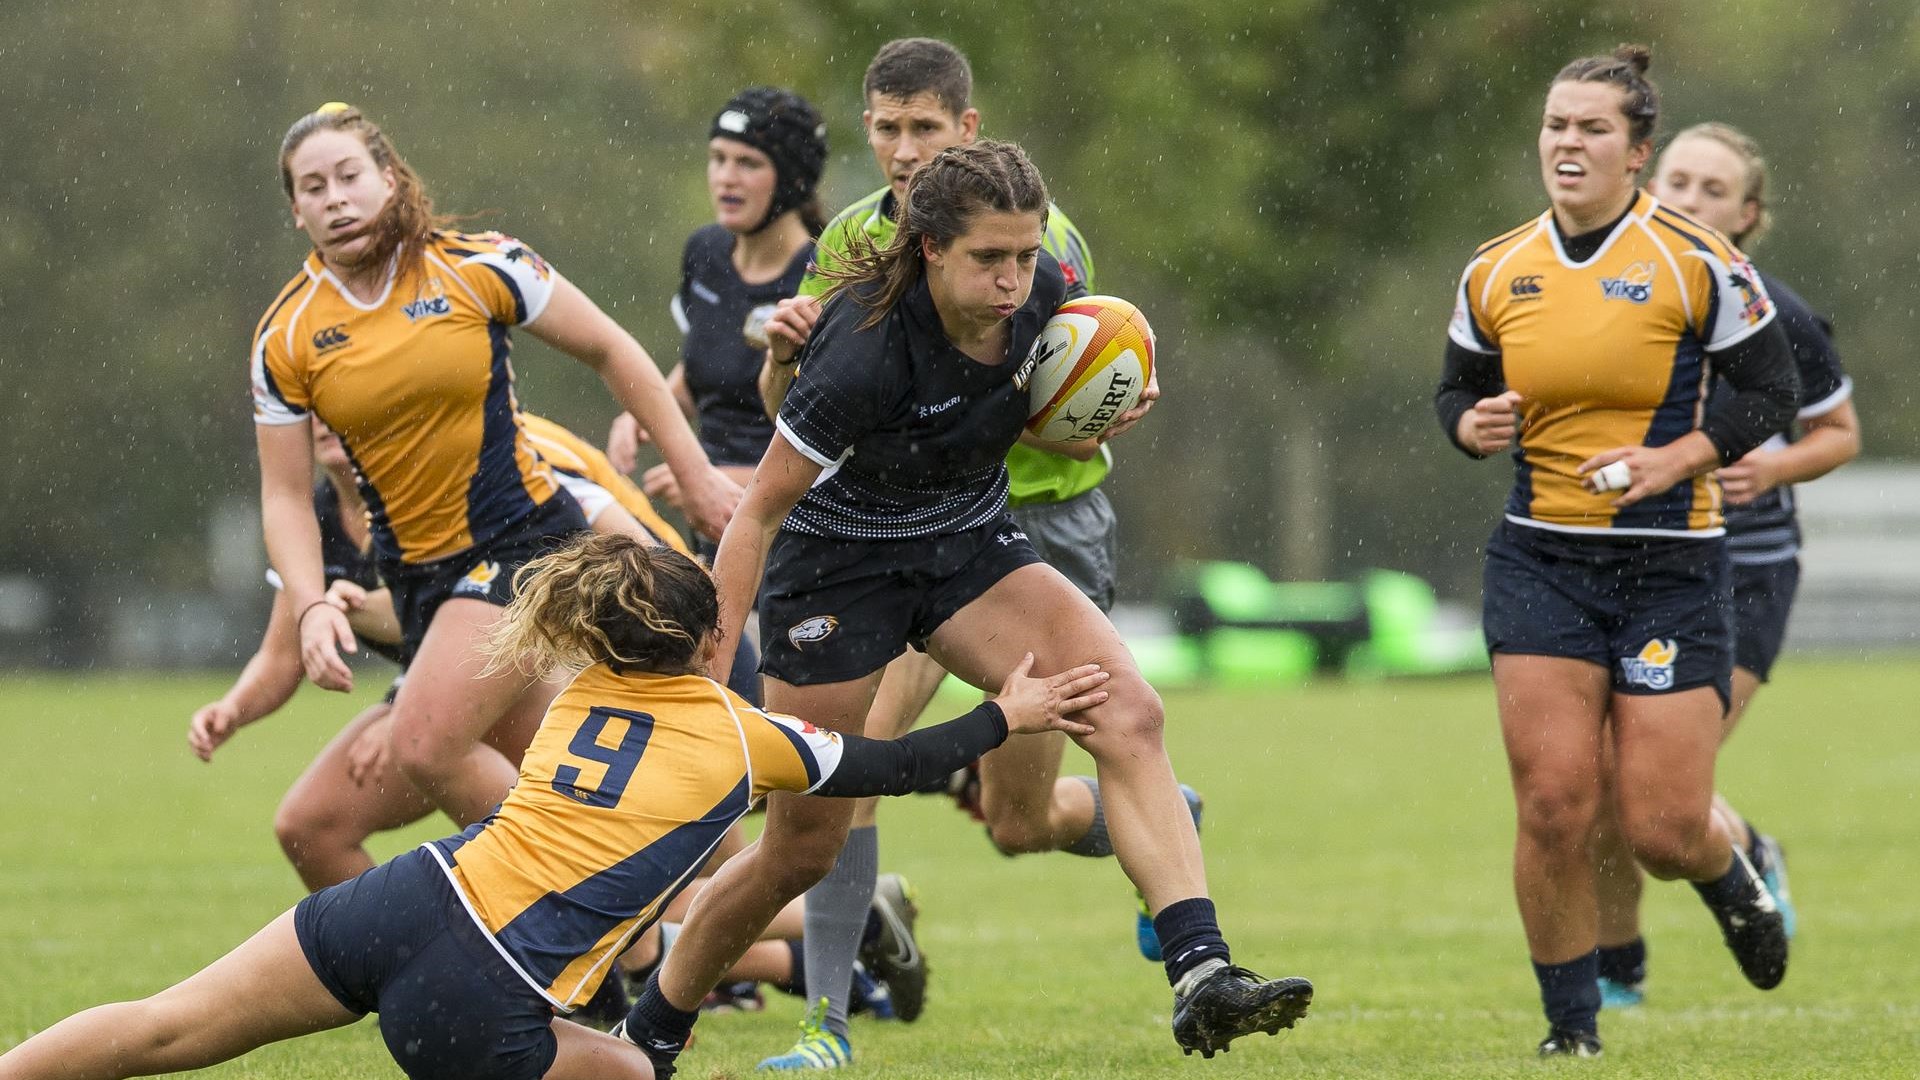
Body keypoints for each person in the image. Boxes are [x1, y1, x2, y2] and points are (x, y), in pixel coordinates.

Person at [613, 140, 1311, 1079]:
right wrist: (713, 667)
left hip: (968, 548)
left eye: (1024, 254)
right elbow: (757, 516)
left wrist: (1108, 400)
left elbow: (1066, 423)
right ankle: (652, 1029)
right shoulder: (862, 350)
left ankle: (1202, 975)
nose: (1013, 281)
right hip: (837, 574)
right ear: (931, 247)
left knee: (1128, 712)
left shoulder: (1045, 294)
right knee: (800, 849)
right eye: (989, 259)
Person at [0, 533, 1108, 1080]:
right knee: (630, 1072)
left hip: (402, 898)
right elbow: (894, 764)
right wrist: (1005, 714)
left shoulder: (576, 688)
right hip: (485, 991)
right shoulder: (744, 734)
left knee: (164, 1025)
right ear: (708, 642)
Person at [744, 38, 1180, 1064]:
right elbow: (803, 411)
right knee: (845, 771)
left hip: (1039, 532)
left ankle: (1165, 823)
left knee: (1018, 820)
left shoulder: (1039, 240)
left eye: (926, 129)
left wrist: (1113, 401)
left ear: (967, 130)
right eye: (888, 129)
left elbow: (1069, 395)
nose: (905, 151)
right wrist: (781, 358)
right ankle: (828, 1021)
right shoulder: (848, 240)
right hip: (904, 536)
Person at [1435, 46, 1802, 1057]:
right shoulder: (1496, 267)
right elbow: (1457, 390)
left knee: (1662, 828)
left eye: (1593, 128)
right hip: (1541, 563)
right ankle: (1573, 1030)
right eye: (1556, 124)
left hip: (1671, 566)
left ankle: (1732, 880)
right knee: (1554, 803)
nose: (1568, 142)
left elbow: (1772, 392)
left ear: (1637, 152)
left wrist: (1675, 458)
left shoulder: (1699, 261)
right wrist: (1470, 425)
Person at [250, 102, 739, 837]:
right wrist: (311, 603)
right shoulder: (286, 335)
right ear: (296, 211)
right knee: (595, 783)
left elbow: (610, 347)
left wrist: (694, 473)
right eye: (313, 188)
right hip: (421, 582)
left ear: (389, 179)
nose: (336, 200)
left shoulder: (477, 264)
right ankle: (730, 896)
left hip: (521, 543)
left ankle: (572, 884)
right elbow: (286, 496)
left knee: (423, 743)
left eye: (349, 176)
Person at [1588, 121, 1862, 1007]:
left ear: (1747, 215)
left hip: (1746, 571)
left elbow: (1839, 433)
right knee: (1594, 778)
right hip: (1634, 560)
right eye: (1679, 181)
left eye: (1715, 190)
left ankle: (1743, 855)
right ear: (1647, 184)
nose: (1691, 200)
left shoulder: (1775, 312)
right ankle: (1618, 974)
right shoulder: (1607, 291)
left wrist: (1773, 467)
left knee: (1642, 785)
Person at [189, 415, 694, 893]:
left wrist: (405, 702)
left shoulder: (435, 482)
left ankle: (585, 910)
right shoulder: (310, 520)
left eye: (334, 400)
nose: (322, 420)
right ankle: (419, 956)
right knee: (309, 828)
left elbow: (477, 608)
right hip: (443, 692)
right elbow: (282, 657)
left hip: (530, 671)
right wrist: (231, 710)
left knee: (643, 863)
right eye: (310, 408)